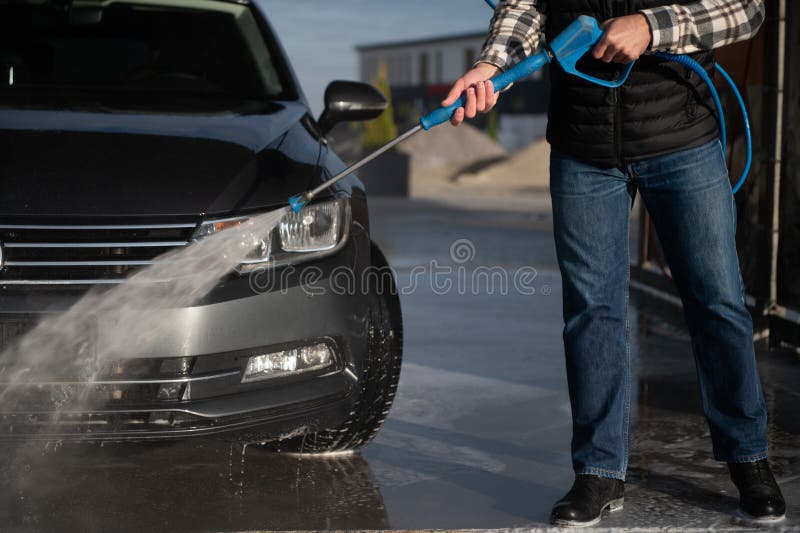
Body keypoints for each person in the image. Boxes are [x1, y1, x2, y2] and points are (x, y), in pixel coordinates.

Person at [444, 0, 785, 527]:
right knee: (590, 310)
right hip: (583, 149)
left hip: (682, 138)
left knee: (715, 299)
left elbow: (747, 9)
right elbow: (527, 7)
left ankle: (747, 457)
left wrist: (651, 27)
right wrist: (493, 65)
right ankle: (598, 471)